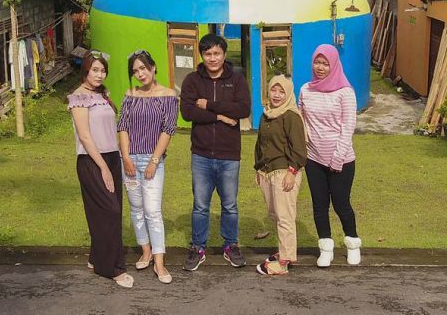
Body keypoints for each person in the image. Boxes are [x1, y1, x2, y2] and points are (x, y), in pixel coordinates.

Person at [180, 33, 251, 271]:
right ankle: (198, 247)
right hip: (200, 154)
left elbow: (242, 109)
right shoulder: (192, 80)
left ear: (223, 54)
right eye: (208, 54)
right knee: (200, 205)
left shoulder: (237, 80)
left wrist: (209, 105)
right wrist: (221, 115)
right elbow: (188, 112)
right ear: (202, 55)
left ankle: (230, 245)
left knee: (230, 205)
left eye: (217, 53)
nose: (213, 58)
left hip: (229, 154)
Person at [68, 52, 133, 288]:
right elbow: (85, 136)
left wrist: (115, 159)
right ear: (85, 70)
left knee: (108, 210)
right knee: (110, 211)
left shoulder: (102, 94)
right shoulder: (78, 98)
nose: (99, 74)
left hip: (111, 157)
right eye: (95, 70)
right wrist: (103, 167)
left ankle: (96, 258)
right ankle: (112, 268)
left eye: (102, 70)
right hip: (91, 160)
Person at [118, 49, 179, 285]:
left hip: (153, 160)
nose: (140, 74)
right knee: (136, 208)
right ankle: (145, 250)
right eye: (135, 71)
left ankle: (159, 263)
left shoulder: (168, 95)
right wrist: (126, 157)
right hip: (130, 159)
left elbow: (168, 129)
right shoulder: (130, 94)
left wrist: (154, 160)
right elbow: (122, 127)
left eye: (143, 68)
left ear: (153, 67)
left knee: (153, 211)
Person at [298, 44, 361, 267]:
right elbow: (301, 119)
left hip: (341, 161)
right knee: (319, 205)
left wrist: (336, 158)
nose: (321, 67)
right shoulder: (306, 89)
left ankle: (352, 243)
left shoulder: (345, 92)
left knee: (341, 204)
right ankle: (326, 248)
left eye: (325, 63)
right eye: (317, 62)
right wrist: (303, 149)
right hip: (313, 159)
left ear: (334, 64)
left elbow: (348, 127)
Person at [253, 74, 307, 277]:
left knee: (285, 217)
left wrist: (292, 172)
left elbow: (300, 149)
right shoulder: (267, 114)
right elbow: (261, 144)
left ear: (288, 93)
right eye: (273, 90)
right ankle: (284, 251)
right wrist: (258, 169)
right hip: (267, 172)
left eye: (281, 91)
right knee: (276, 215)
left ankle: (284, 262)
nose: (276, 95)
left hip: (285, 173)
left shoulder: (291, 115)